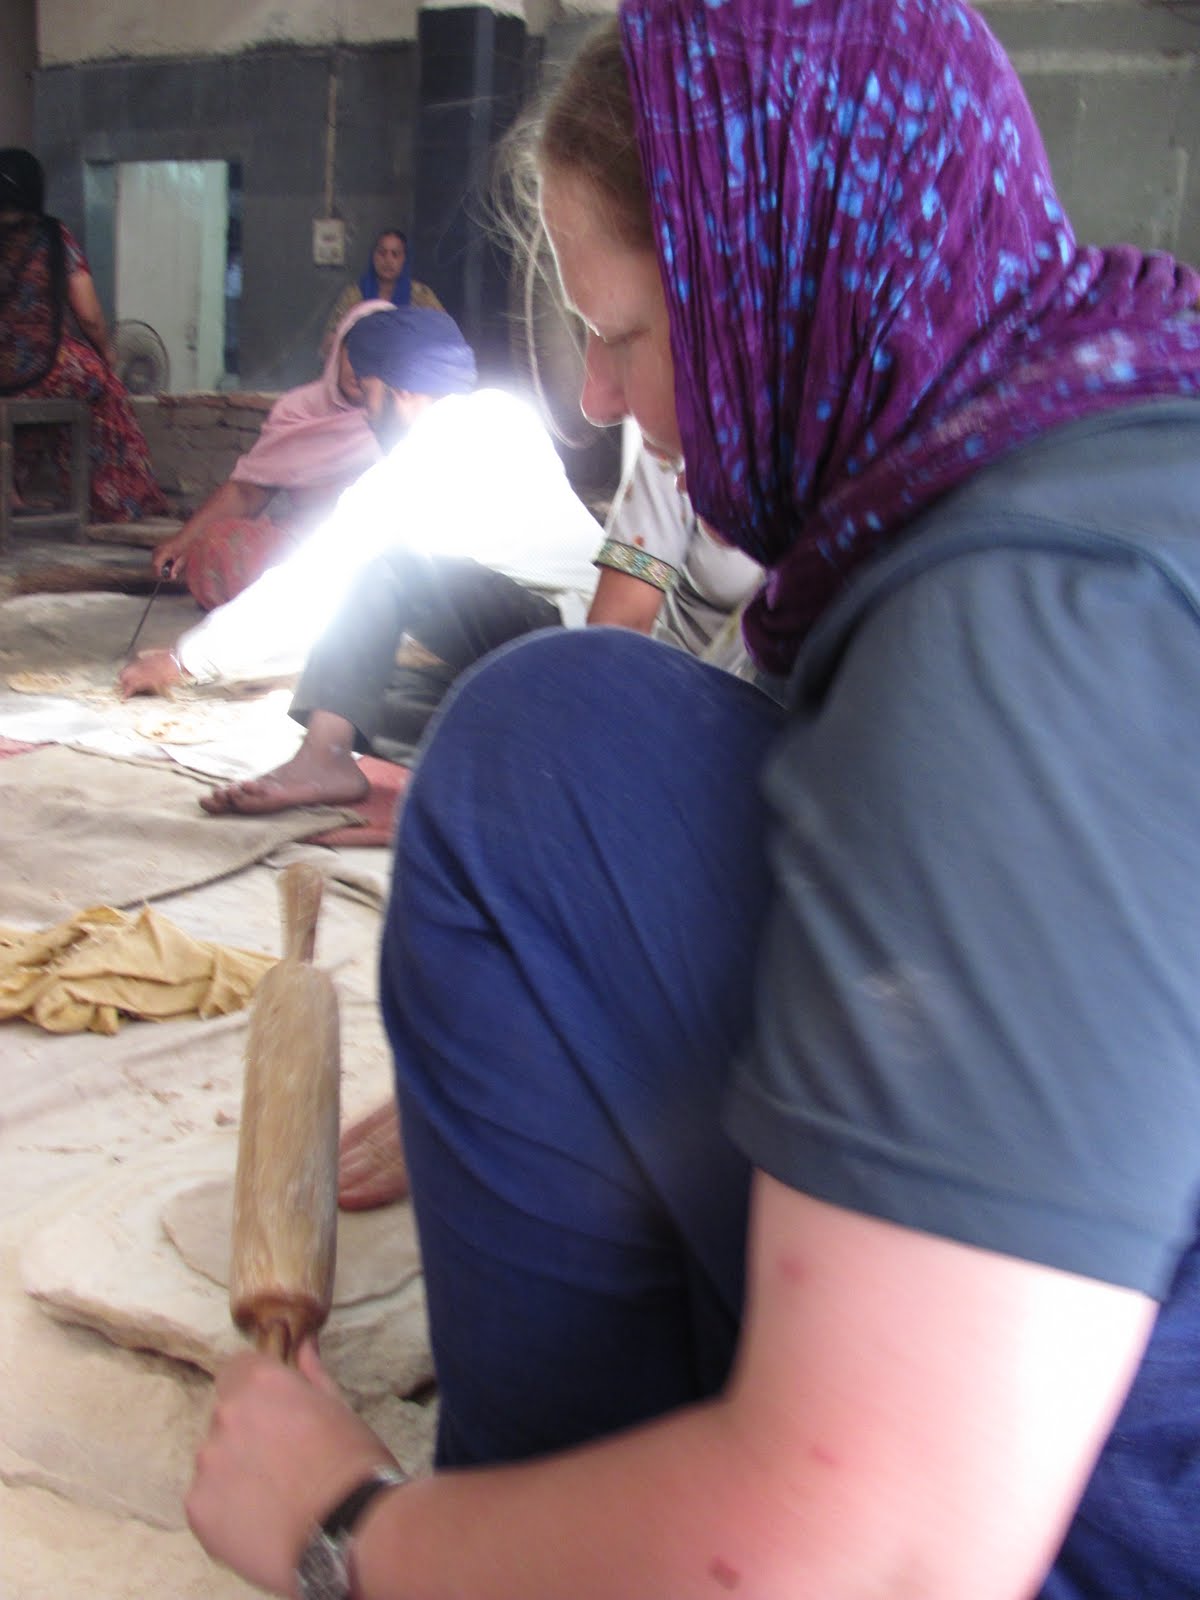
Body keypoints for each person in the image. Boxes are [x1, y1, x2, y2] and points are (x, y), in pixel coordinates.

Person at [187, 2, 1200, 1597]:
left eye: (627, 332)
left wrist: (348, 1537)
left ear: (787, 283)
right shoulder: (1088, 429)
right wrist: (582, 1036)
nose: (596, 399)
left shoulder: (1026, 621)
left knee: (534, 757)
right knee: (589, 753)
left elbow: (900, 1560)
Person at [120, 305, 603, 730]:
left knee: (354, 696)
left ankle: (326, 762)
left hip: (557, 641)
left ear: (399, 389)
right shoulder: (506, 414)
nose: (366, 414)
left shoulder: (418, 466)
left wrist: (185, 661)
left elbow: (311, 584)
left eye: (368, 393)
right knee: (381, 671)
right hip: (597, 621)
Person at [149, 298, 393, 609]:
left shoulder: (403, 417)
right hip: (303, 545)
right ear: (338, 352)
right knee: (220, 547)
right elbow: (247, 492)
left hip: (373, 551)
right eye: (354, 353)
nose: (359, 370)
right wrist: (182, 543)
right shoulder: (299, 411)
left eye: (376, 359)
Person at [0, 147, 166, 523]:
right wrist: (105, 352)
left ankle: (11, 489)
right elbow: (89, 315)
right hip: (42, 369)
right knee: (102, 386)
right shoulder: (52, 236)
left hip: (5, 377)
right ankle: (117, 501)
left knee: (47, 395)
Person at [318, 230, 445, 364]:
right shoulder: (354, 295)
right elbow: (328, 346)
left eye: (395, 254)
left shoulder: (421, 295)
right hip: (360, 372)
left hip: (407, 374)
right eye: (382, 253)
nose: (388, 260)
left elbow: (444, 335)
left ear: (404, 259)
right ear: (373, 257)